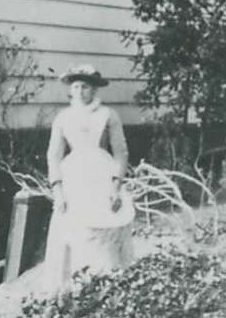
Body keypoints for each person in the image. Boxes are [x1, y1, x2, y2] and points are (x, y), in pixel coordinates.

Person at [20, 65, 139, 293]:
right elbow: (53, 155)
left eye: (85, 86)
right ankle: (75, 287)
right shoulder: (63, 118)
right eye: (76, 86)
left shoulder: (108, 115)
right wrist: (58, 190)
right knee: (75, 229)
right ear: (70, 91)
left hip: (101, 175)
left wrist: (116, 185)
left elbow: (121, 152)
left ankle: (106, 282)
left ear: (94, 90)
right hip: (75, 177)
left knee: (104, 226)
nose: (80, 91)